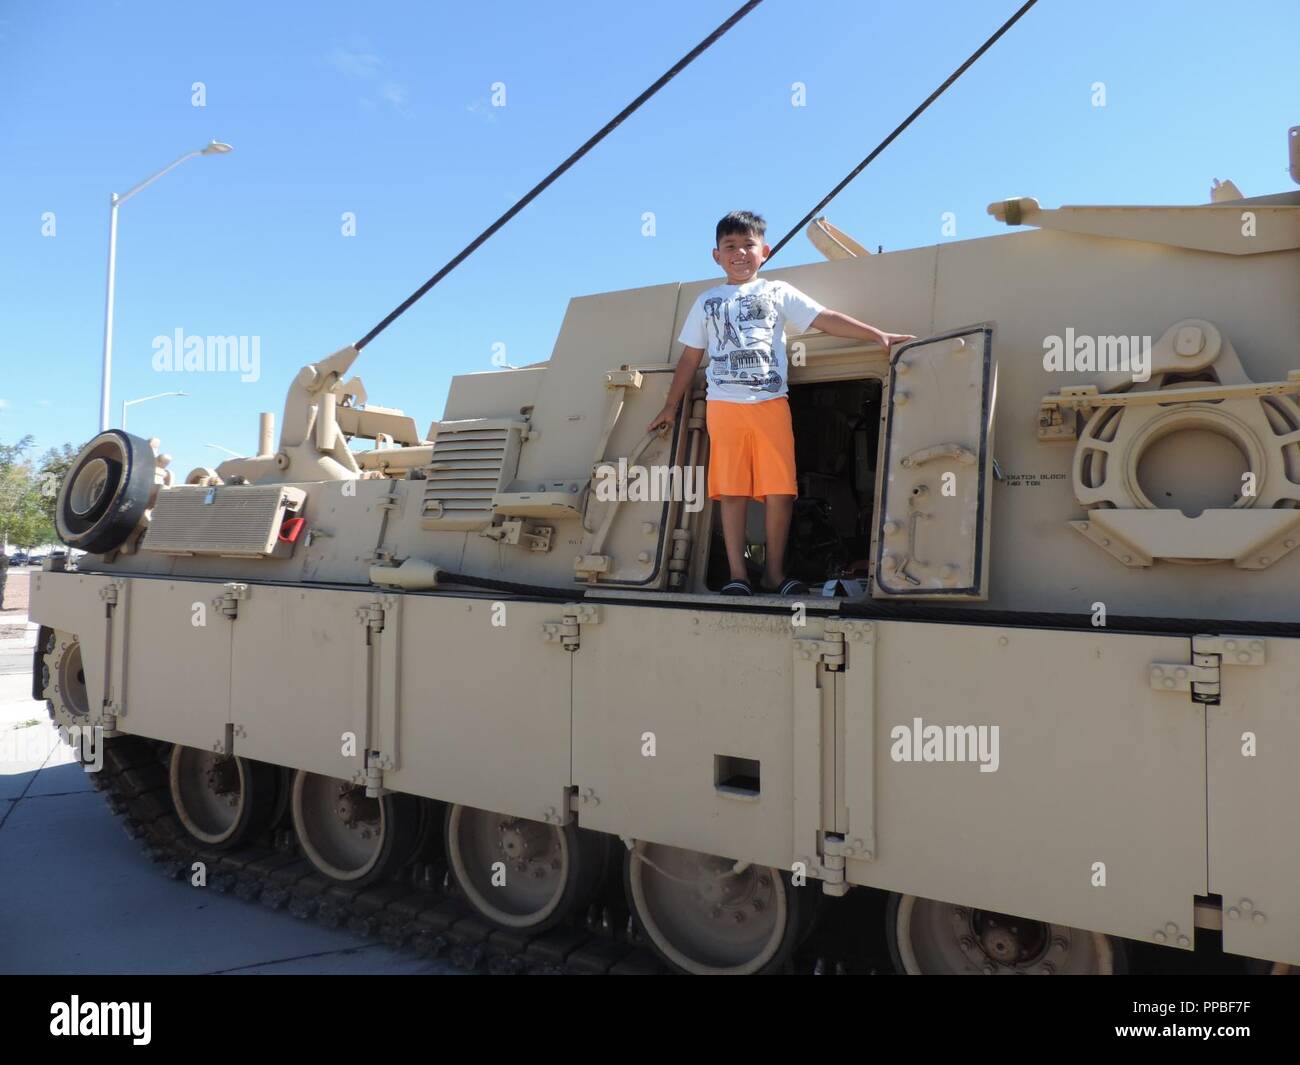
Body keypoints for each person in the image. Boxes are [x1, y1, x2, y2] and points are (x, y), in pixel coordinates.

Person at [648, 210, 914, 595]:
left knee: (780, 490)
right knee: (732, 492)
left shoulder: (777, 292)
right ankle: (738, 575)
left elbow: (825, 317)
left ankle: (774, 573)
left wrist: (877, 336)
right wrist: (671, 406)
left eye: (748, 246)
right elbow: (690, 359)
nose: (740, 253)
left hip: (770, 402)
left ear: (765, 252)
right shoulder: (707, 302)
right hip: (724, 408)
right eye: (730, 247)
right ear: (716, 256)